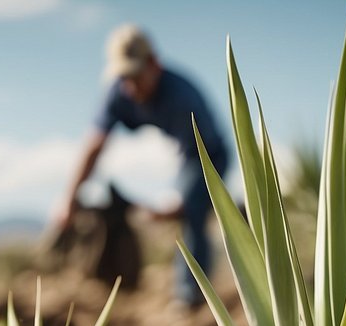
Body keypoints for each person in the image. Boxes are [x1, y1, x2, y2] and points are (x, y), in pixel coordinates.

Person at [52, 23, 231, 309]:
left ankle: (191, 296)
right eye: (123, 77)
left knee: (192, 213)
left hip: (208, 154)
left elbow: (199, 161)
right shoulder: (118, 93)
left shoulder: (183, 98)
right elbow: (94, 147)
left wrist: (177, 203)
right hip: (180, 154)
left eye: (135, 76)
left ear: (154, 64)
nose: (130, 86)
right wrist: (68, 200)